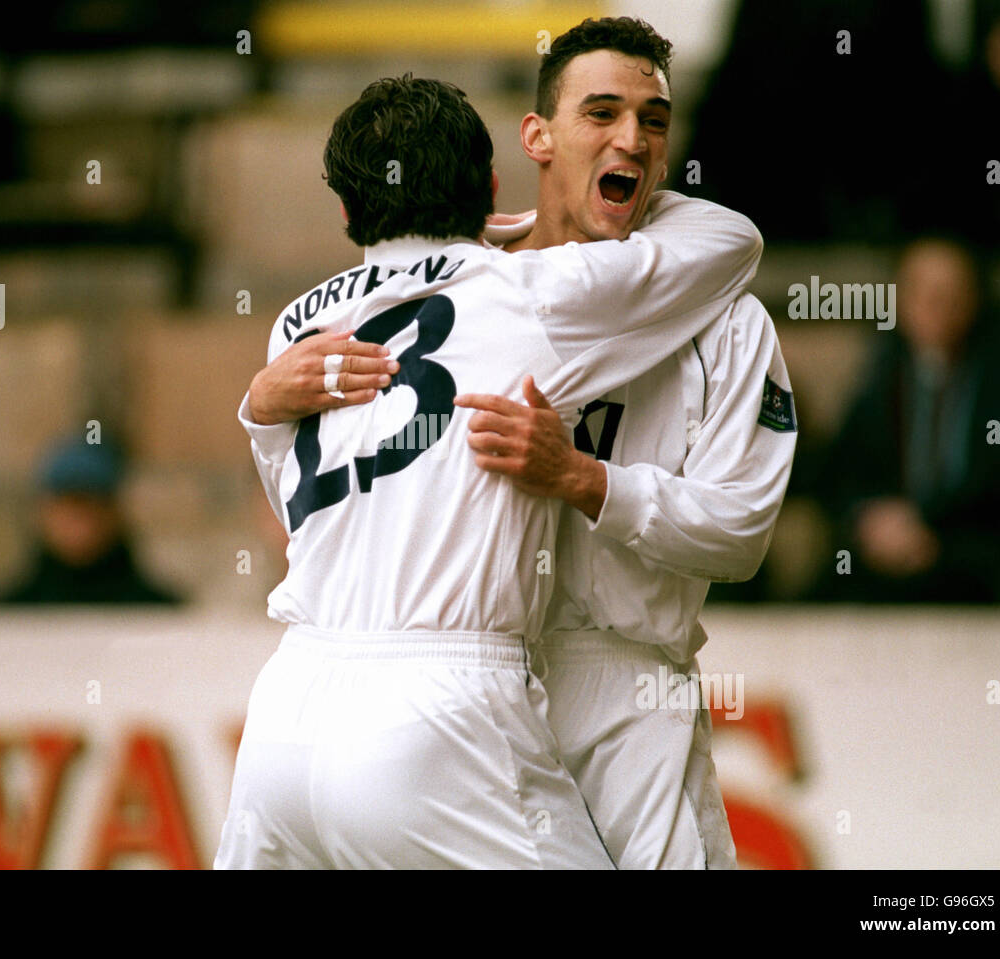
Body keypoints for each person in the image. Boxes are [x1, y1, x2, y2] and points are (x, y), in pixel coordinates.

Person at [242, 17, 797, 868]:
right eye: (602, 113)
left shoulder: (725, 318)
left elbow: (740, 533)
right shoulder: (512, 290)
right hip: (466, 678)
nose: (633, 140)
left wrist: (587, 480)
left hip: (617, 688)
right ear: (535, 137)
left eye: (654, 121)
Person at [811, 235, 1000, 603]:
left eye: (951, 292)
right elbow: (840, 472)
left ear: (974, 298)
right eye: (923, 291)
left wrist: (924, 524)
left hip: (975, 552)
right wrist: (870, 520)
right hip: (883, 553)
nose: (937, 305)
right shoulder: (882, 372)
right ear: (901, 300)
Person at [0, 437, 183, 605]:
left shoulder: (157, 611)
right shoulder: (2, 617)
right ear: (42, 512)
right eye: (67, 503)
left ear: (115, 512)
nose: (78, 519)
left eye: (90, 503)